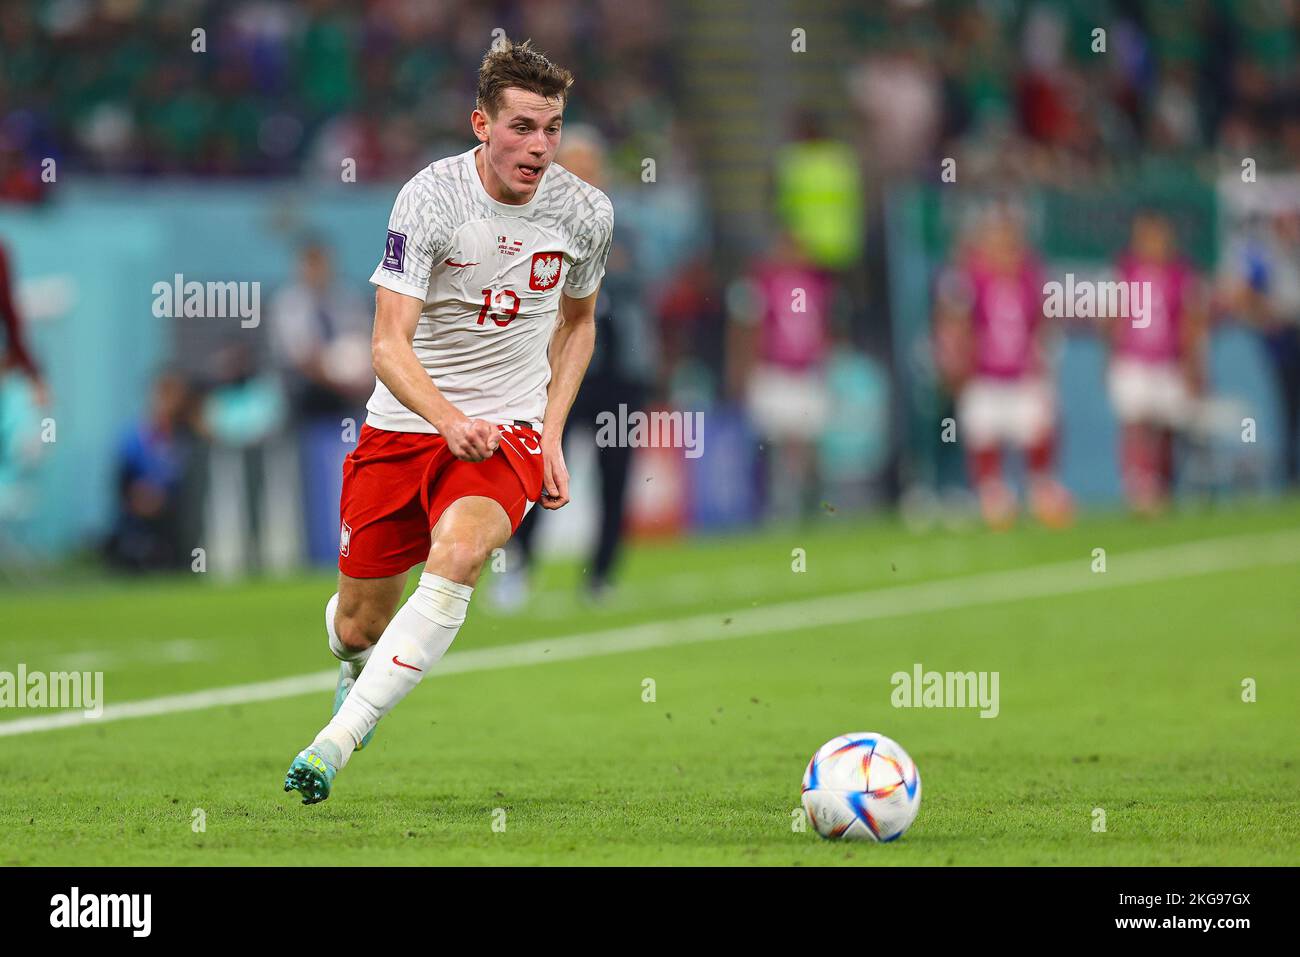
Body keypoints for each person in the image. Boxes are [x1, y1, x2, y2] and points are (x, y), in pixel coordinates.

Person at [284, 40, 613, 804]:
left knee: (461, 551)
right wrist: (446, 417)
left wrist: (550, 431)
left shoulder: (585, 212)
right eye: (522, 127)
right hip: (405, 424)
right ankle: (353, 665)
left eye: (552, 128)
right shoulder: (429, 198)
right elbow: (386, 344)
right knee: (357, 626)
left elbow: (578, 322)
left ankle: (336, 741)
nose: (539, 146)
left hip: (506, 429)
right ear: (481, 124)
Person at [497, 126, 654, 607]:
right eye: (575, 167)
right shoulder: (537, 221)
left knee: (615, 475)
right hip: (558, 368)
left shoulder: (622, 223)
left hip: (618, 373)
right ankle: (518, 566)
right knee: (538, 465)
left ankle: (601, 574)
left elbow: (636, 281)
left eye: (590, 167)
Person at [933, 205, 1072, 529]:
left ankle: (1041, 489)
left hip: (1022, 372)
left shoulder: (1030, 276)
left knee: (1037, 425)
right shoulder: (968, 277)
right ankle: (992, 494)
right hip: (984, 374)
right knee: (983, 430)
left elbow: (1044, 322)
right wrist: (955, 362)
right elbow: (953, 321)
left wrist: (1044, 359)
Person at [1107, 210, 1206, 512]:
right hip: (1133, 358)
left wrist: (1193, 366)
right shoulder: (1125, 268)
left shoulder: (1181, 272)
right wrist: (1111, 354)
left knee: (1166, 425)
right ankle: (1137, 485)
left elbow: (1191, 321)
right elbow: (1112, 314)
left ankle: (1161, 484)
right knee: (1135, 422)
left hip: (1169, 361)